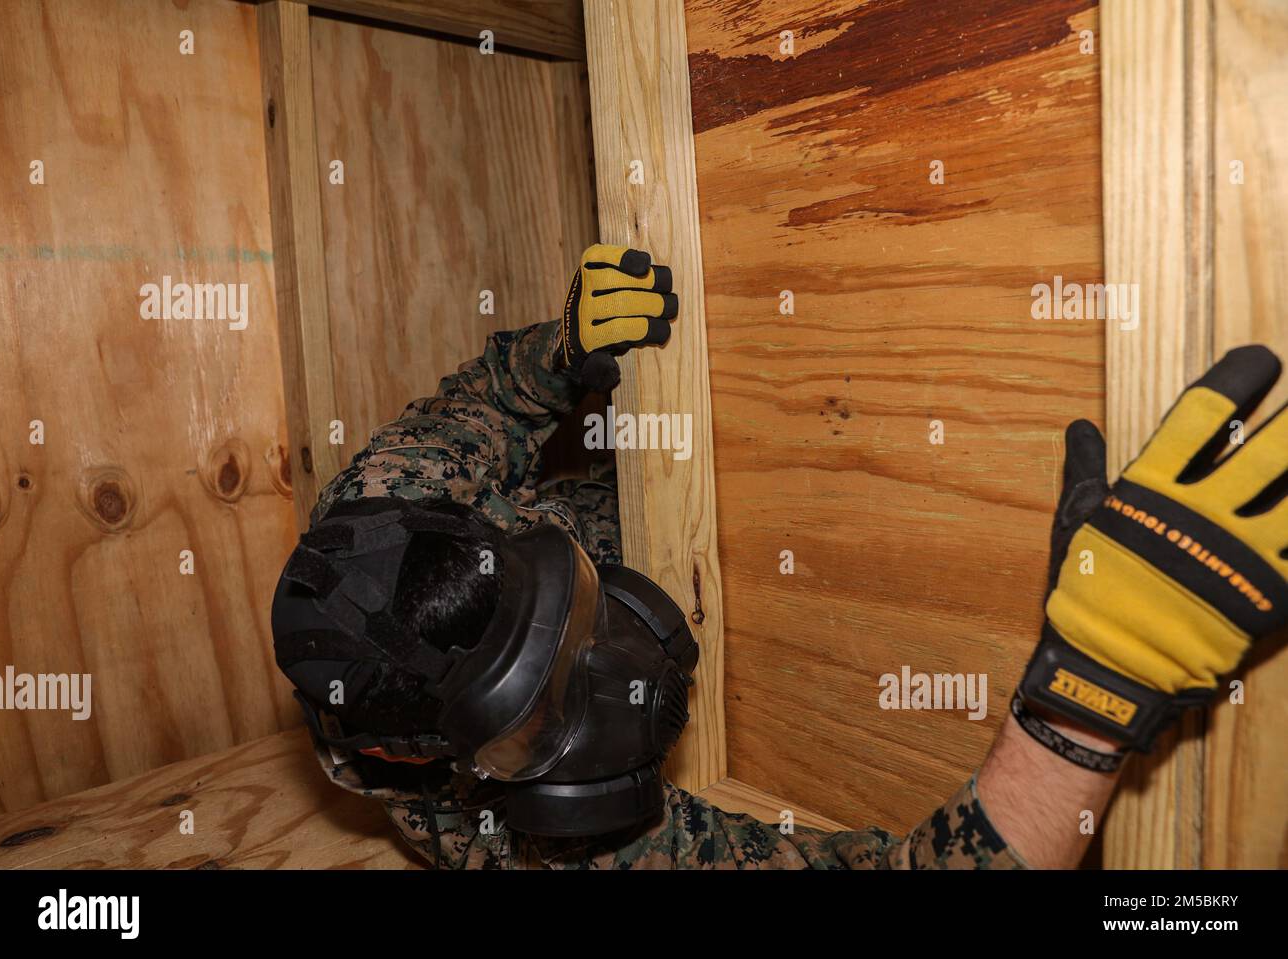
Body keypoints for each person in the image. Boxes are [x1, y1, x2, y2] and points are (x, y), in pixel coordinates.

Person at [271, 244, 1288, 869]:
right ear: (431, 756)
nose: (615, 660)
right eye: (535, 705)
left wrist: (565, 349)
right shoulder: (514, 839)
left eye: (564, 604)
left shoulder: (392, 497)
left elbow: (484, 399)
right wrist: (1091, 692)